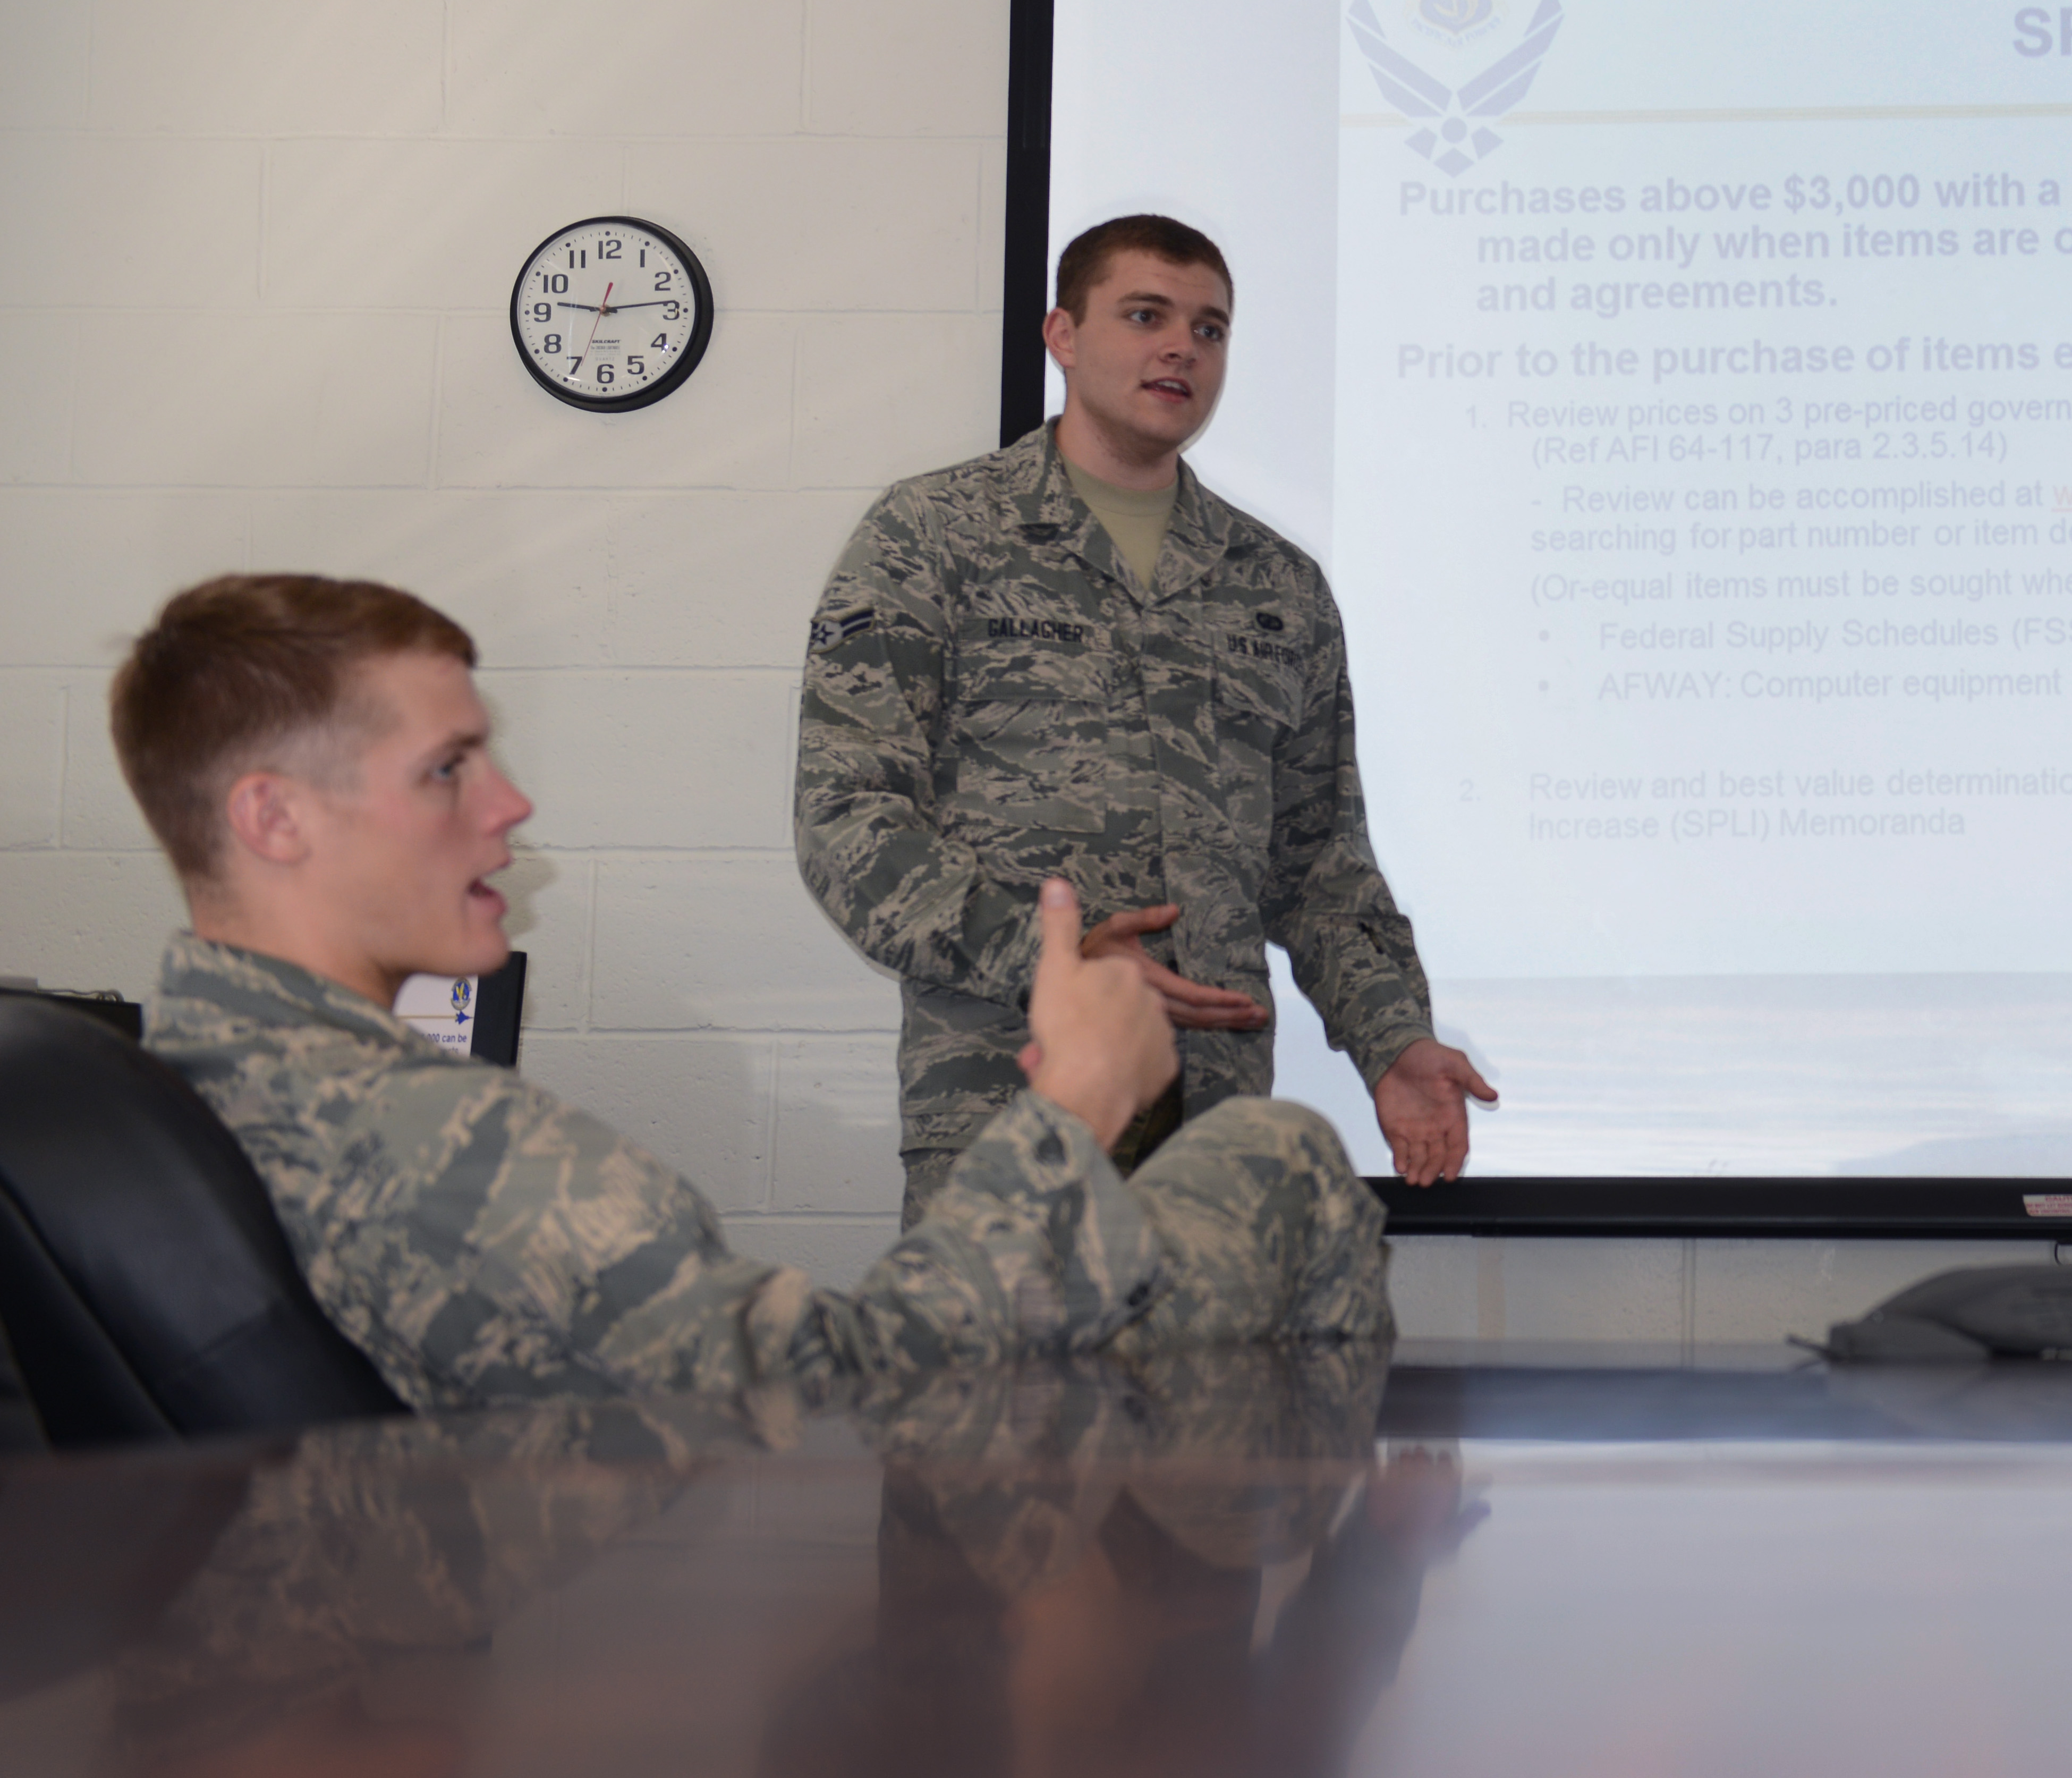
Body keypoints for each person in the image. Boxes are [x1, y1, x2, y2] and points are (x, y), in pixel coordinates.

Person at [112, 574, 1389, 1412]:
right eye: (448, 768)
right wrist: (1076, 1106)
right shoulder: (454, 1147)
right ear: (273, 816)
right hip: (693, 1603)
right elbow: (836, 1402)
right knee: (1278, 1150)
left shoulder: (180, 1074)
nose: (510, 803)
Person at [796, 213, 1492, 1226]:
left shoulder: (1278, 587)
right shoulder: (934, 536)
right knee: (1007, 1391)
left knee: (1213, 1389)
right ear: (1063, 335)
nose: (1183, 346)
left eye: (1210, 328)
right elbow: (845, 818)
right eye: (1145, 314)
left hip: (1212, 1129)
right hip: (1010, 1104)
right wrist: (1058, 963)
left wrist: (1393, 1038)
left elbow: (1318, 865)